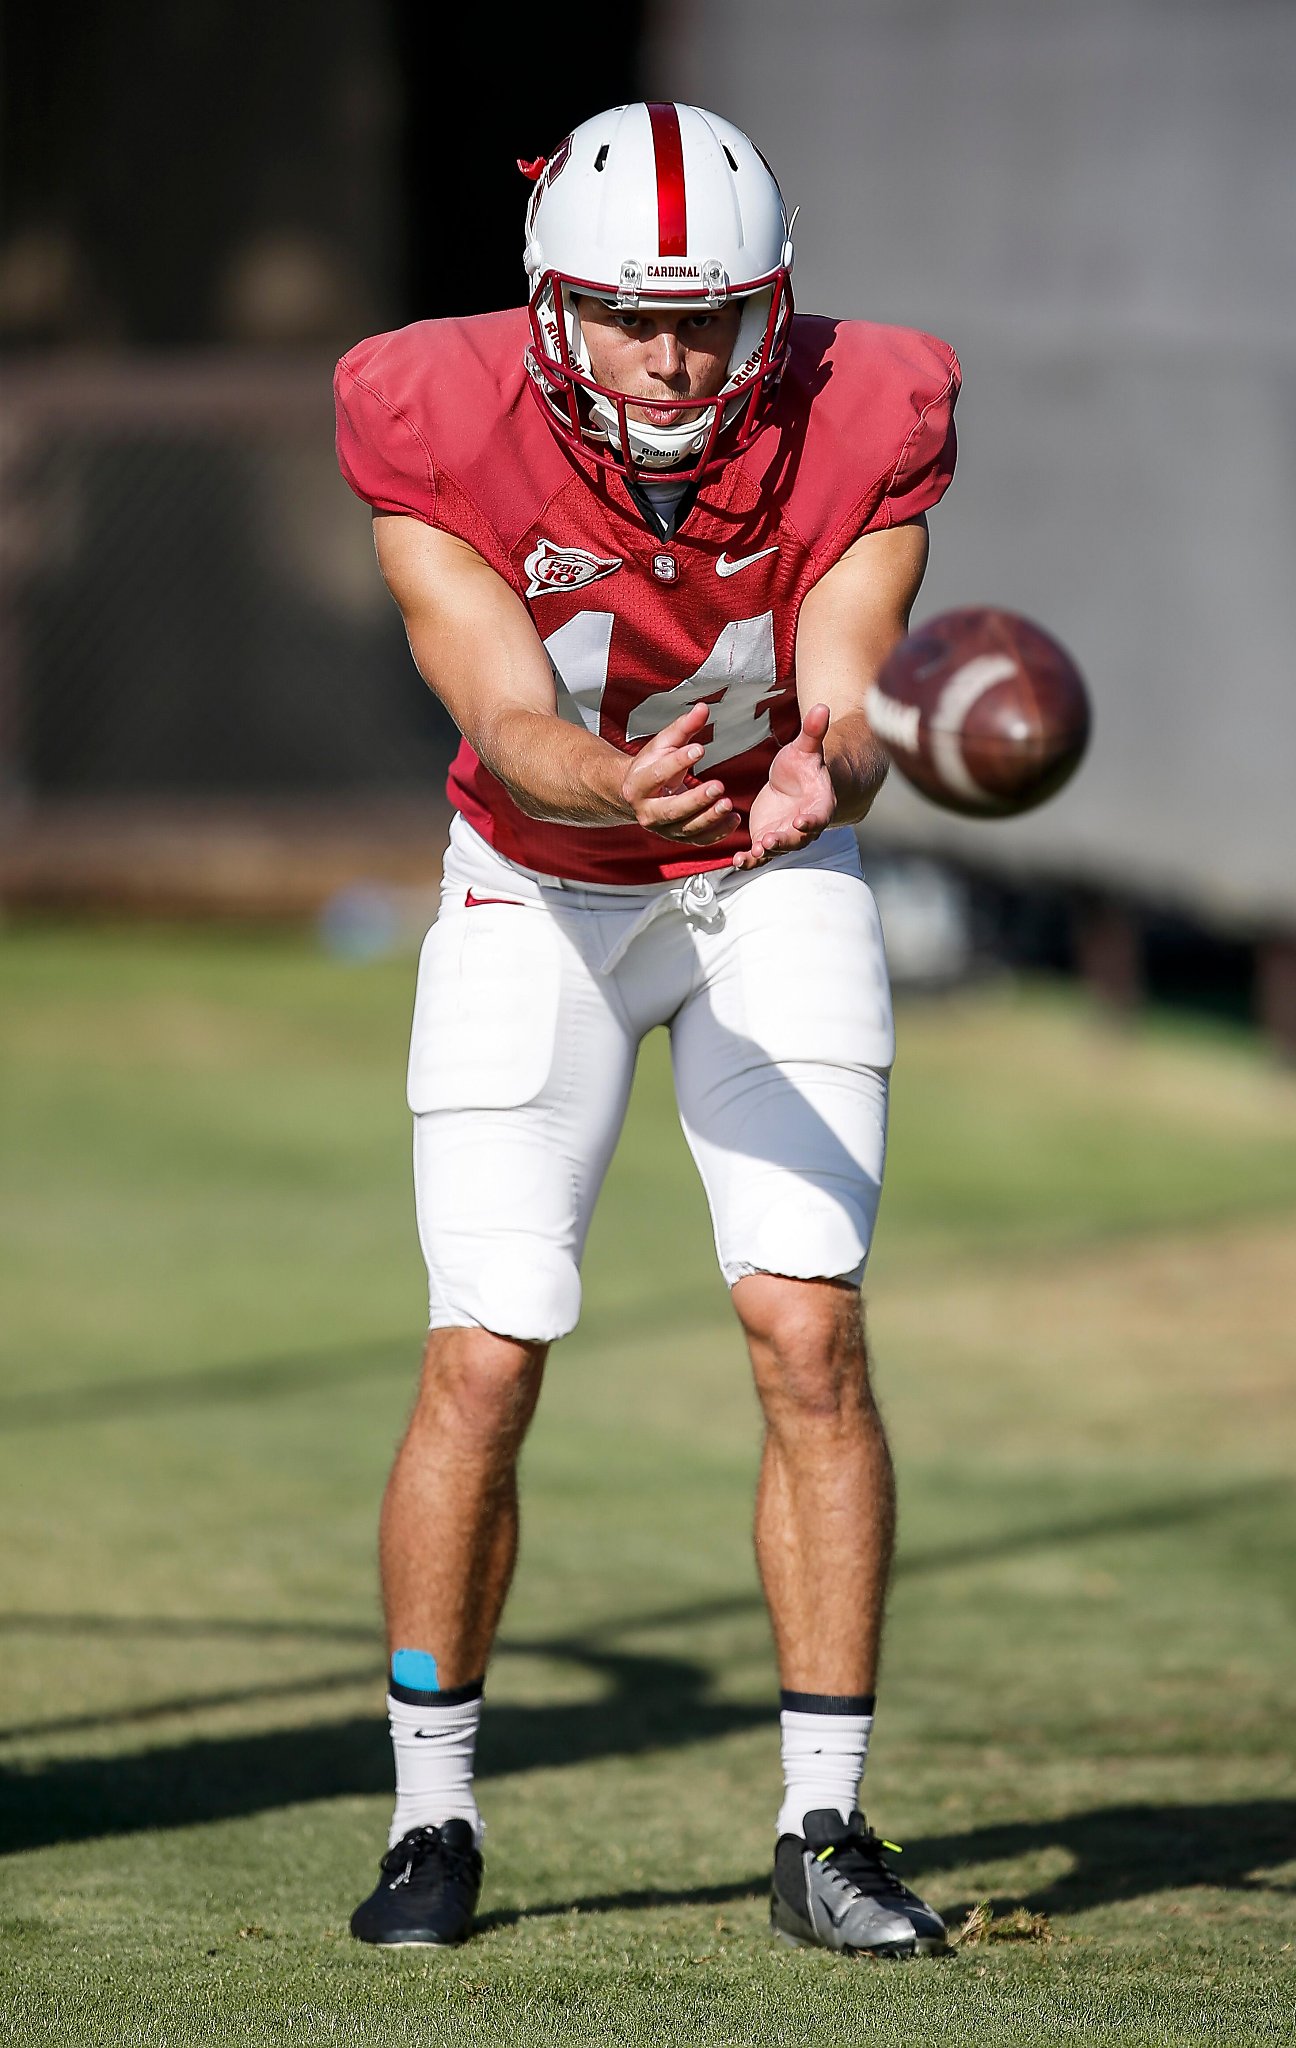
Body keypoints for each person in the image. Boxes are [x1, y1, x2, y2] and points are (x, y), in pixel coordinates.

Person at [333, 100, 959, 1957]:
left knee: (808, 1328)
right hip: (539, 883)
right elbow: (502, 710)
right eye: (628, 316)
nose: (673, 358)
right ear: (550, 308)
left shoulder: (869, 403)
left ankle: (824, 1828)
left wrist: (821, 774)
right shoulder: (425, 406)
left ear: (773, 308)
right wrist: (613, 793)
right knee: (487, 1354)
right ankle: (430, 1821)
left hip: (768, 883)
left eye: (709, 319)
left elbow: (845, 687)